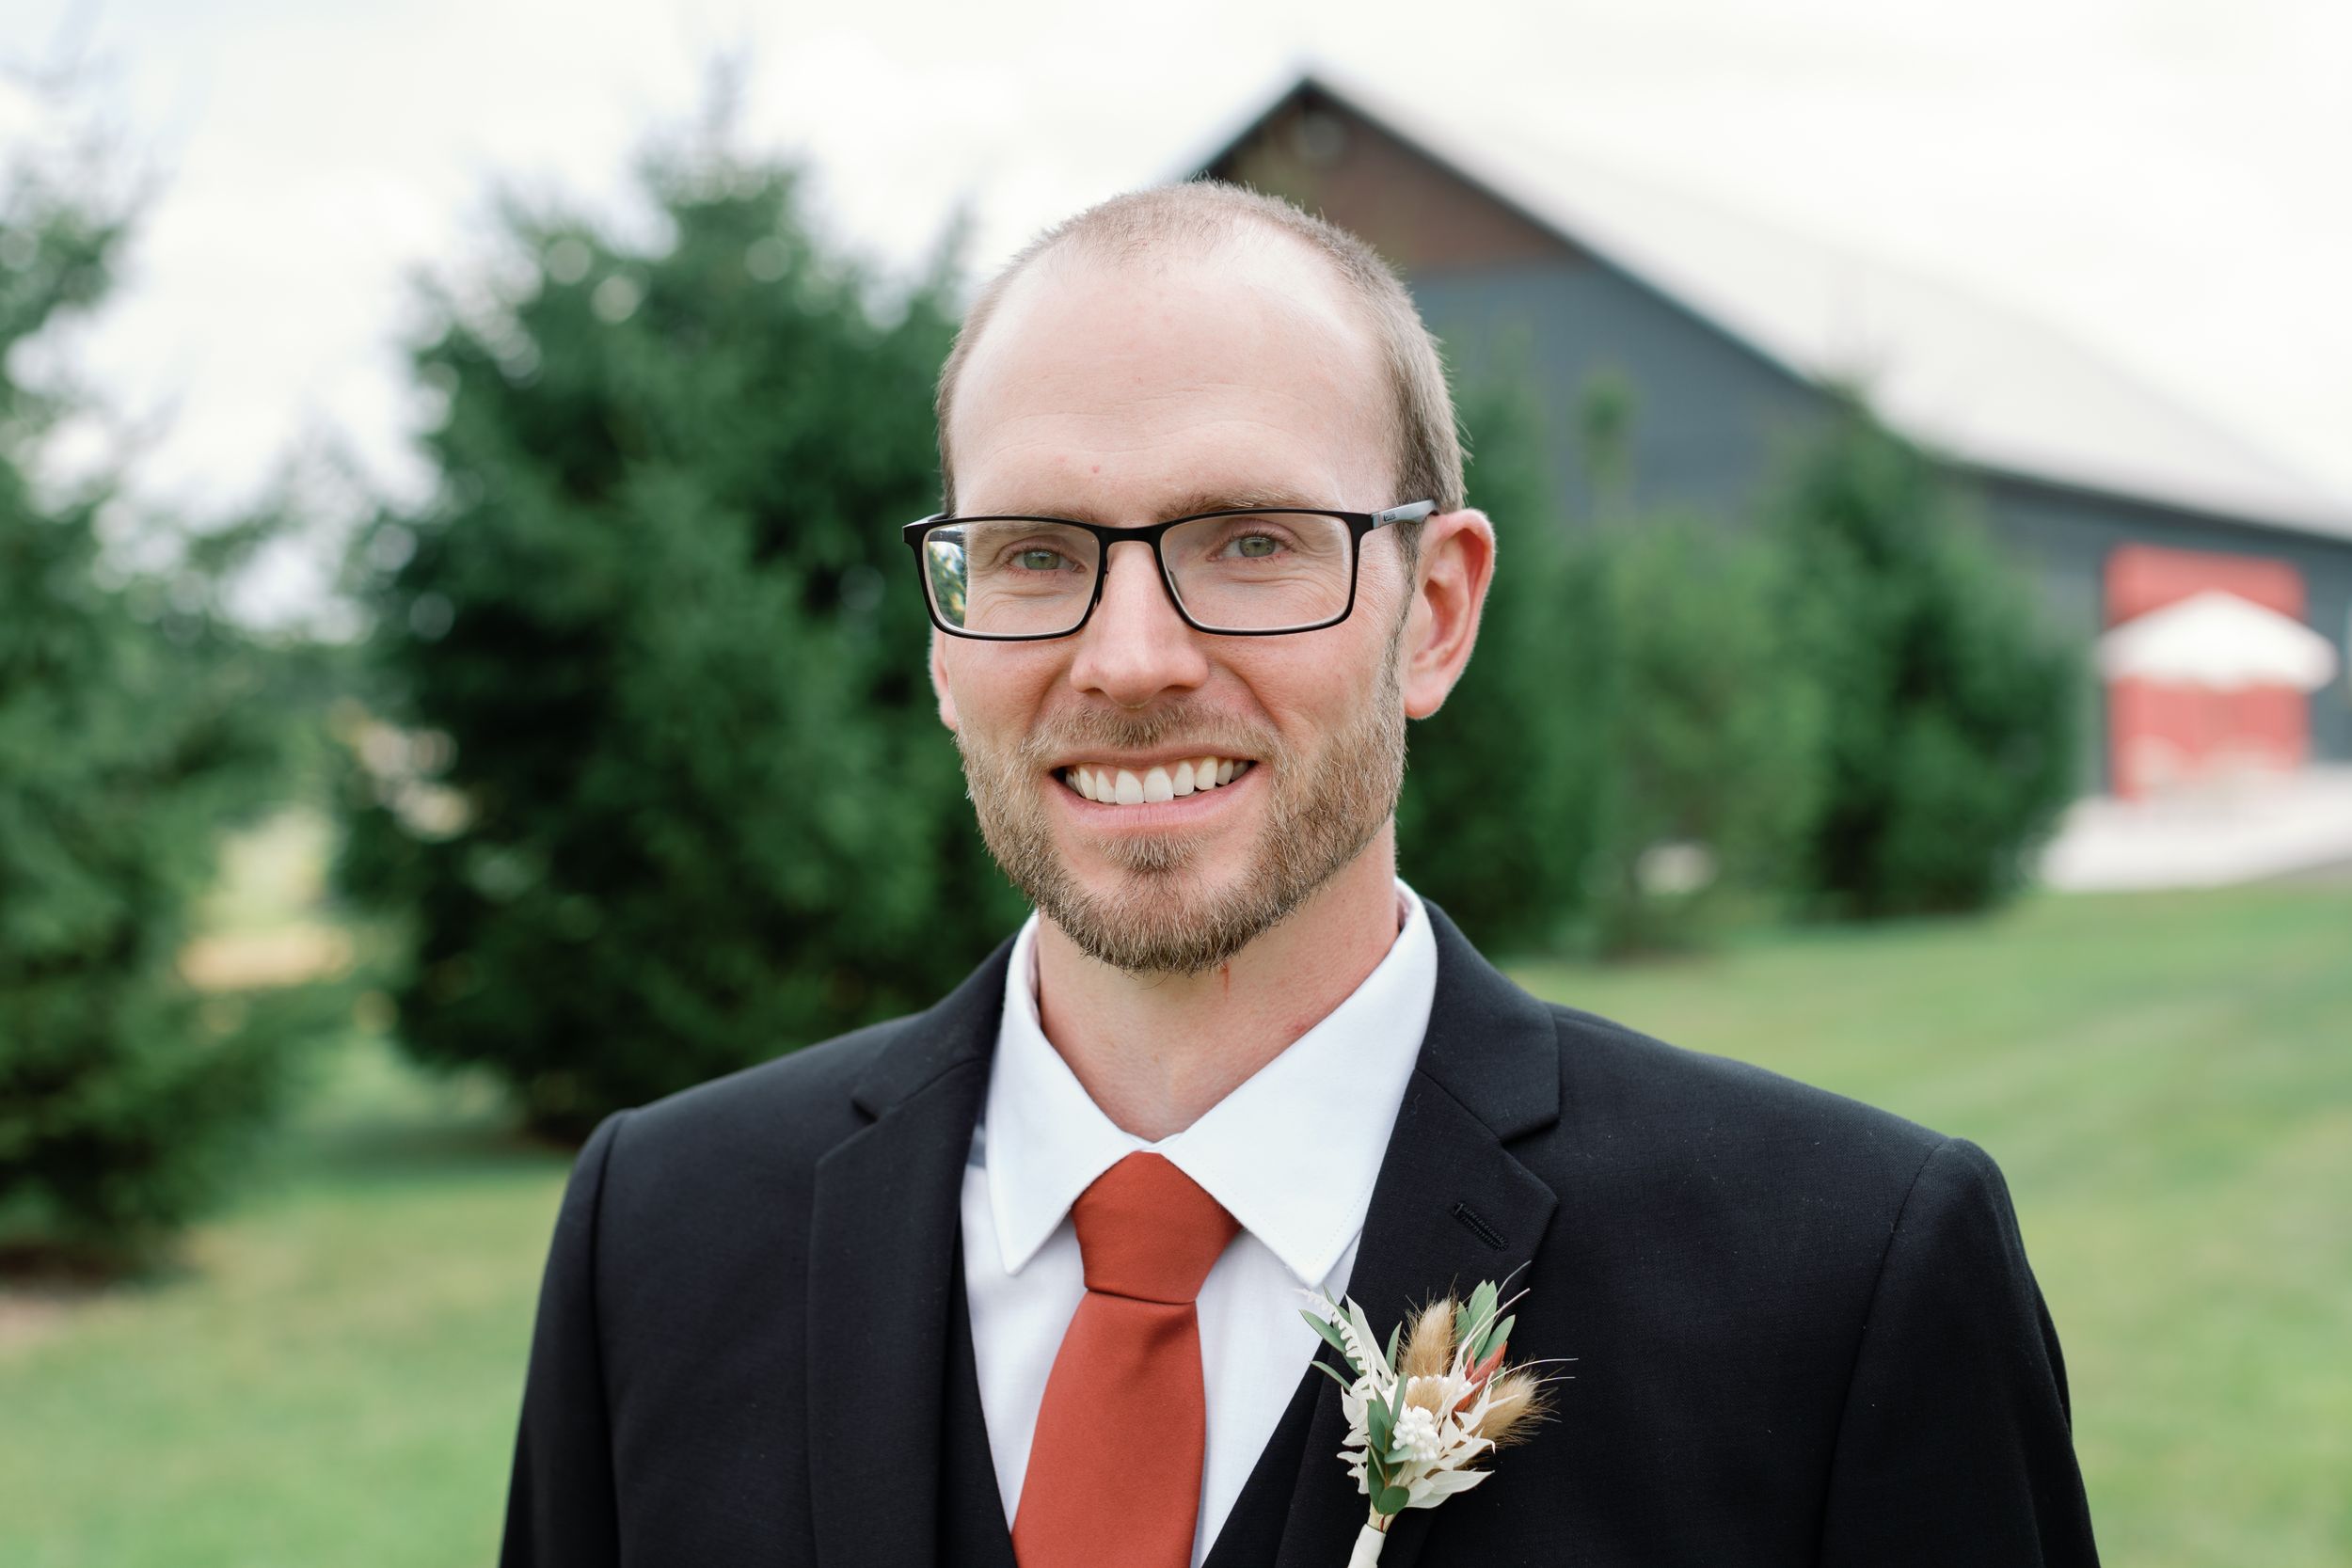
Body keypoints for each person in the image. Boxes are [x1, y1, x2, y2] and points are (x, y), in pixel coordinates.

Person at [499, 181, 2099, 1568]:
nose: (1128, 661)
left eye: (1250, 541)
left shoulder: (1845, 1275)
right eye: (1038, 553)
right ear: (945, 630)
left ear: (1438, 611)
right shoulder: (661, 1234)